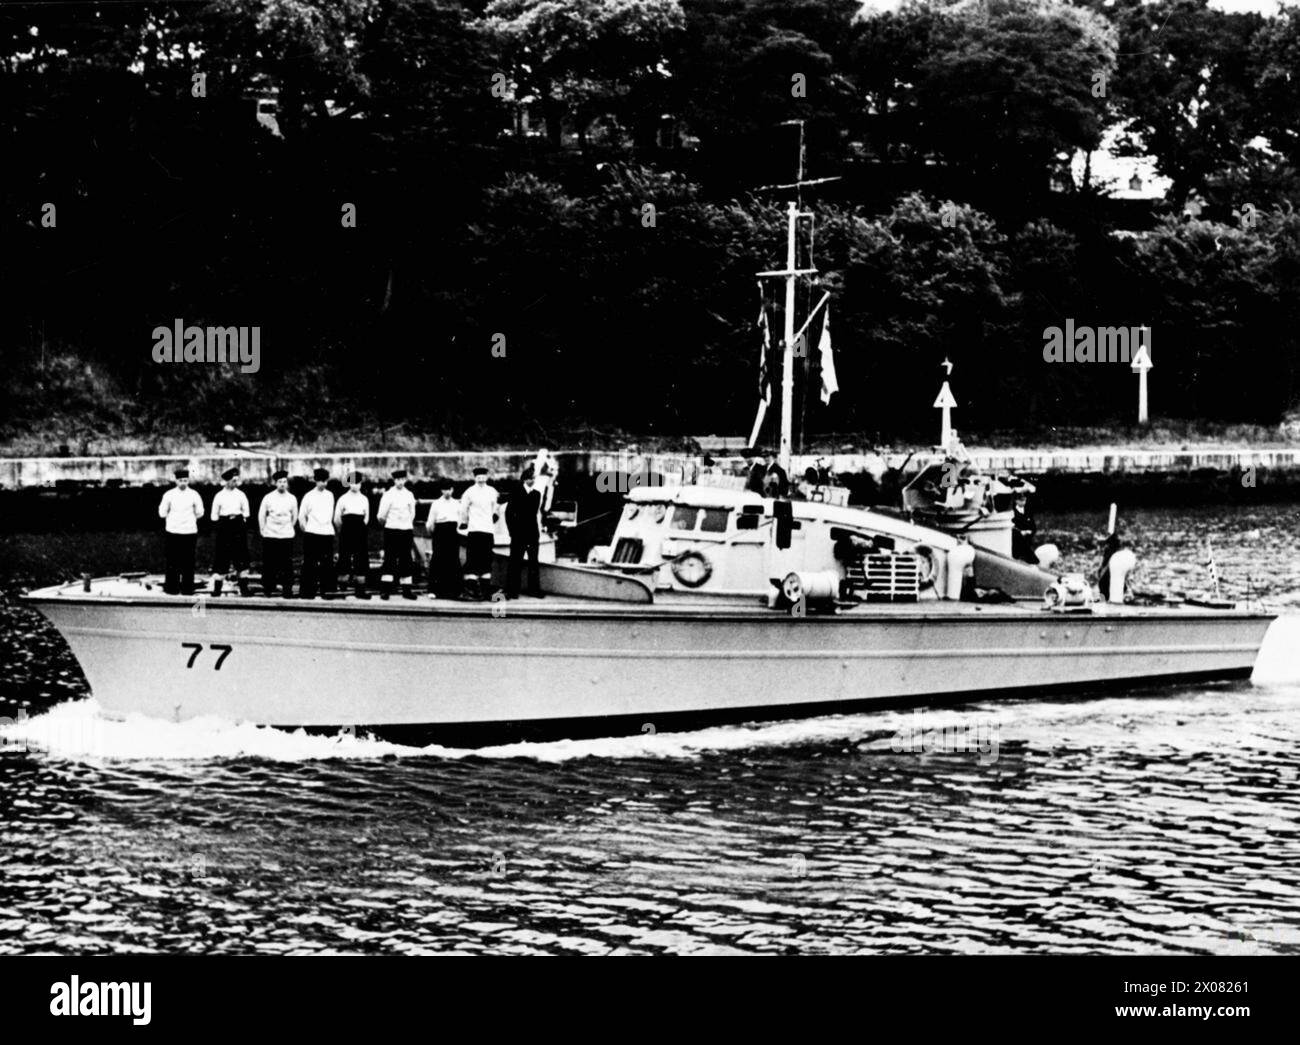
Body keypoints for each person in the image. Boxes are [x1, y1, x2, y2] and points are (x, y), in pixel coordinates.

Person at [158, 466, 204, 595]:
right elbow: (162, 513)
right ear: (176, 481)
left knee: (188, 562)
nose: (183, 483)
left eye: (185, 480)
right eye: (181, 481)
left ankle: (187, 588)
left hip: (189, 532)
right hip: (173, 532)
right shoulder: (169, 495)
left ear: (188, 480)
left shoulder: (194, 495)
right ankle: (172, 588)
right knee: (172, 561)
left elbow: (200, 512)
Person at [459, 466, 500, 601]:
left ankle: (485, 590)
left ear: (487, 477)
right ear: (474, 477)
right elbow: (463, 509)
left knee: (486, 559)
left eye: (483, 475)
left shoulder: (492, 491)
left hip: (487, 530)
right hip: (474, 529)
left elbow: (496, 506)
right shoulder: (469, 492)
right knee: (473, 559)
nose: (481, 478)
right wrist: (464, 522)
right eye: (478, 476)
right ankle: (472, 589)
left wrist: (495, 515)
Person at [210, 466, 251, 596]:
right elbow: (214, 515)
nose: (235, 483)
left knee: (241, 557)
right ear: (227, 481)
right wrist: (222, 523)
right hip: (224, 526)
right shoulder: (219, 496)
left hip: (238, 526)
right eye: (233, 480)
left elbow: (247, 512)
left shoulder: (241, 495)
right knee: (222, 557)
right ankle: (217, 589)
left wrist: (239, 521)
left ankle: (244, 589)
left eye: (237, 480)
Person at [377, 468, 417, 600]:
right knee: (390, 559)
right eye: (397, 480)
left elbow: (412, 514)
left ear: (405, 480)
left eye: (402, 479)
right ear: (394, 480)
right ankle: (385, 590)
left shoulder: (409, 495)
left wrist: (405, 524)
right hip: (391, 530)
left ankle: (407, 590)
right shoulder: (388, 495)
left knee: (406, 559)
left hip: (406, 530)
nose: (400, 482)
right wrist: (391, 524)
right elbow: (381, 515)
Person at [258, 469, 297, 598]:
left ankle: (287, 588)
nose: (282, 484)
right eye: (280, 482)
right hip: (271, 535)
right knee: (269, 563)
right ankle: (268, 588)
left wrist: (288, 528)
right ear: (275, 483)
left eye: (284, 482)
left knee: (287, 564)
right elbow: (262, 515)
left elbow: (294, 517)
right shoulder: (268, 497)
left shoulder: (292, 498)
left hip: (286, 535)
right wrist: (263, 530)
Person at [505, 468, 543, 599]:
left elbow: (533, 513)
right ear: (524, 479)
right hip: (518, 534)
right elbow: (509, 514)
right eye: (530, 478)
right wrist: (512, 532)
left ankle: (534, 590)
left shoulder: (537, 494)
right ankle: (512, 590)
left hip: (532, 533)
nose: (532, 480)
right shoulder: (516, 492)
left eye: (533, 478)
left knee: (533, 562)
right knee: (515, 562)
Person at [298, 467, 336, 599]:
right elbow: (301, 517)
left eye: (325, 481)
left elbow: (331, 516)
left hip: (326, 532)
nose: (324, 484)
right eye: (321, 481)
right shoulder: (308, 496)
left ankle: (327, 590)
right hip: (312, 533)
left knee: (327, 563)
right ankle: (308, 591)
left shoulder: (330, 495)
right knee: (310, 563)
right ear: (315, 481)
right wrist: (308, 530)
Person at [334, 471, 371, 599]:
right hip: (346, 531)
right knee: (344, 557)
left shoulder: (364, 499)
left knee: (361, 558)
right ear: (349, 483)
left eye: (358, 483)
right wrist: (343, 530)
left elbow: (366, 518)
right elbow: (337, 519)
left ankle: (360, 588)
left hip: (360, 530)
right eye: (354, 483)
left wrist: (360, 528)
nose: (356, 485)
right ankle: (342, 586)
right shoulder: (343, 499)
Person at [426, 479, 462, 599]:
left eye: (450, 489)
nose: (447, 492)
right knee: (437, 560)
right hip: (440, 532)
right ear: (442, 490)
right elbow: (430, 524)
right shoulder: (436, 504)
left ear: (453, 490)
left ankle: (453, 591)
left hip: (453, 533)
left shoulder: (457, 504)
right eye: (445, 489)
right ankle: (434, 590)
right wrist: (434, 533)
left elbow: (461, 521)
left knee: (453, 560)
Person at [1011, 489, 1038, 564]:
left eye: (1024, 500)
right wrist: (1020, 532)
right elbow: (1011, 527)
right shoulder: (1012, 512)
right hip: (1017, 541)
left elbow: (1033, 526)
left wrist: (1031, 531)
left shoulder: (1028, 511)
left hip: (1027, 540)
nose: (1023, 502)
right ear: (1016, 501)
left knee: (1031, 559)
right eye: (1021, 500)